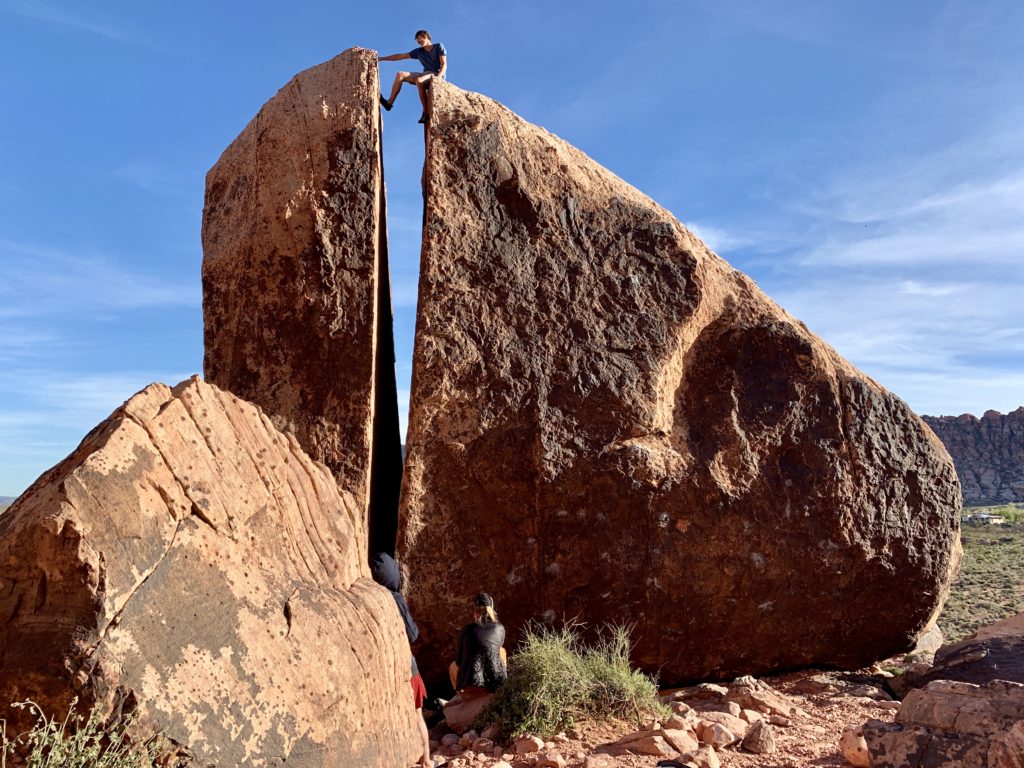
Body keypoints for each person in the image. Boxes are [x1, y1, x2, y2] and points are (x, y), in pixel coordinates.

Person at [370, 552, 436, 768]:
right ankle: (426, 759)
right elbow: (413, 634)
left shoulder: (370, 597)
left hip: (381, 666)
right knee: (417, 714)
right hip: (407, 666)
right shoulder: (396, 599)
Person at [379, 29, 447, 124]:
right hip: (425, 74)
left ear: (426, 37)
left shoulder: (438, 46)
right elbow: (400, 56)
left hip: (436, 74)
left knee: (419, 80)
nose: (419, 41)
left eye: (421, 38)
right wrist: (382, 58)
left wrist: (439, 77)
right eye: (417, 40)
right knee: (400, 74)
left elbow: (444, 64)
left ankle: (426, 112)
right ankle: (389, 103)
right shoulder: (419, 52)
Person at [449, 593, 508, 693]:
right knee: (501, 651)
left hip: (472, 684)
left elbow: (459, 661)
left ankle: (460, 695)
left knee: (453, 666)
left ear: (475, 610)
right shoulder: (500, 628)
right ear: (491, 608)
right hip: (496, 682)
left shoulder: (468, 630)